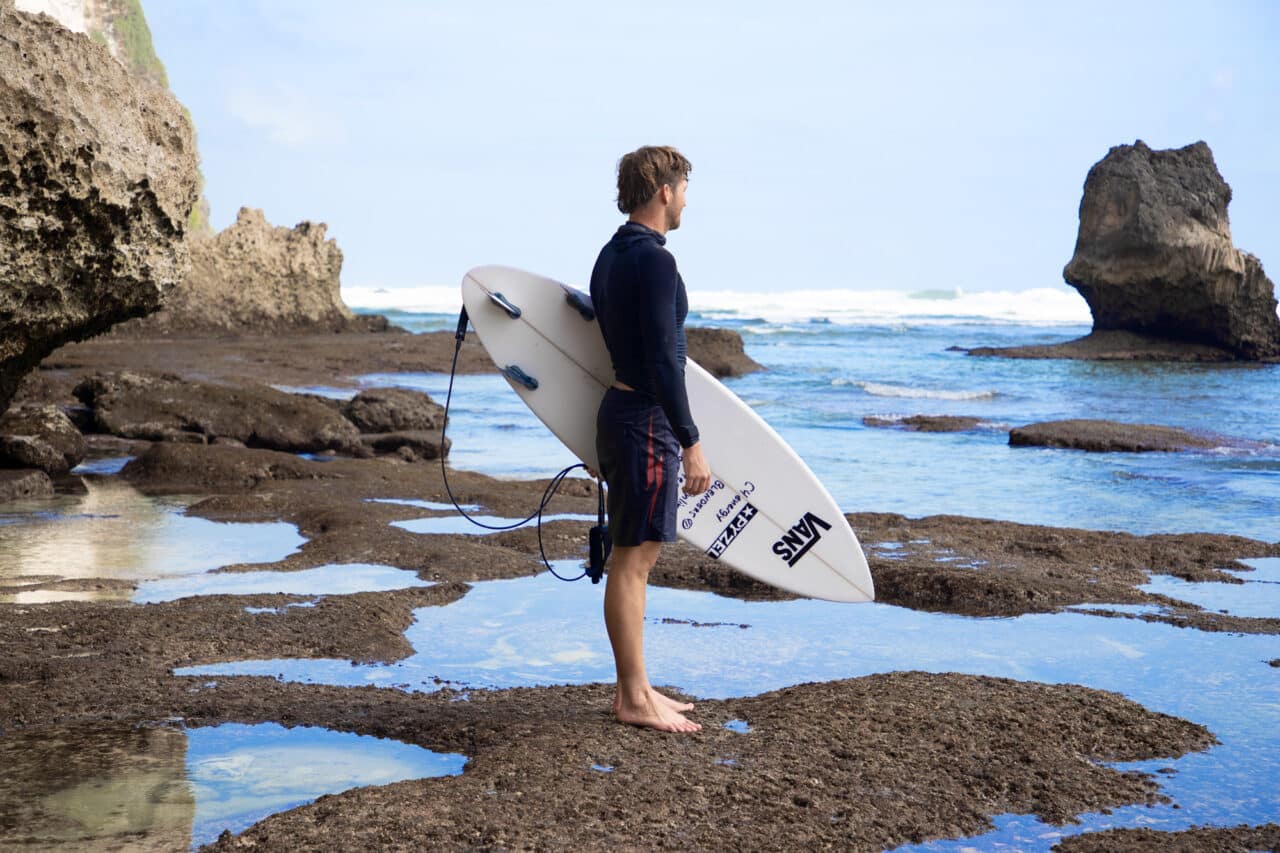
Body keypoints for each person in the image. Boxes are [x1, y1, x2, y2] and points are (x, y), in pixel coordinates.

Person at [590, 145, 712, 734]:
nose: (687, 198)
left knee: (632, 559)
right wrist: (689, 439)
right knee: (633, 563)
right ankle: (633, 698)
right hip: (644, 420)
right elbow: (665, 358)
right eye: (685, 187)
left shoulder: (611, 256)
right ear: (665, 190)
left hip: (621, 414)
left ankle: (637, 686)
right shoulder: (657, 262)